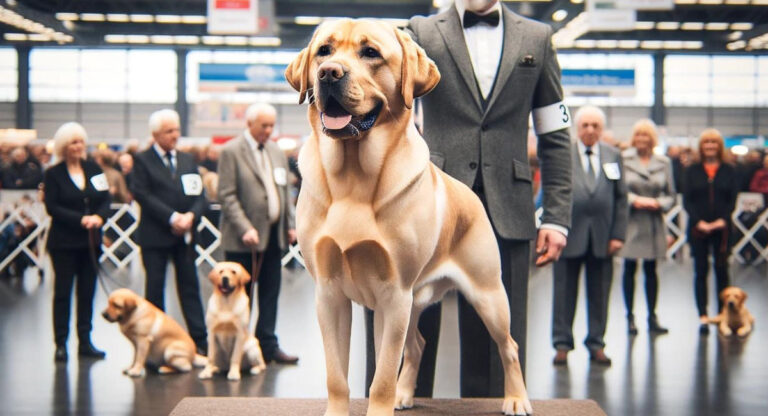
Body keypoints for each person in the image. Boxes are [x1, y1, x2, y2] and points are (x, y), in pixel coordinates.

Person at [369, 0, 573, 397]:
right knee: (399, 331)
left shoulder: (539, 38)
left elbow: (555, 134)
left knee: (498, 348)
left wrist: (556, 217)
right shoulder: (420, 31)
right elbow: (379, 81)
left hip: (510, 209)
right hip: (423, 204)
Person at [217, 103, 298, 364]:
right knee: (242, 298)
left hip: (273, 236)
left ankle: (267, 344)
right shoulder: (231, 151)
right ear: (249, 124)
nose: (269, 130)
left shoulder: (276, 151)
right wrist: (245, 228)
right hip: (244, 241)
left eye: (272, 125)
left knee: (270, 294)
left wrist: (290, 224)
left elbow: (284, 191)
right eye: (264, 125)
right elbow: (226, 195)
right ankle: (237, 348)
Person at [551, 106, 627, 367]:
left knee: (599, 294)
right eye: (585, 125)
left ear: (602, 129)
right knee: (563, 293)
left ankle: (596, 344)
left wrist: (618, 234)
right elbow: (554, 193)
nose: (590, 130)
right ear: (577, 127)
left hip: (603, 238)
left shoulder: (614, 155)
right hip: (568, 235)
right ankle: (561, 344)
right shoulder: (564, 155)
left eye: (596, 125)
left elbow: (621, 198)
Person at [130, 109, 208, 354]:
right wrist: (172, 217)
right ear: (155, 135)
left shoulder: (187, 160)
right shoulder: (142, 160)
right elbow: (142, 194)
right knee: (154, 289)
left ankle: (200, 340)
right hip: (155, 237)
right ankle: (154, 342)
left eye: (176, 130)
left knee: (190, 287)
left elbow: (200, 195)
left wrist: (191, 216)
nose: (176, 135)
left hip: (184, 237)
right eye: (169, 131)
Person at [43, 122, 110, 362]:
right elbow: (52, 206)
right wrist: (80, 219)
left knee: (87, 293)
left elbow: (105, 198)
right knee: (63, 293)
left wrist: (99, 217)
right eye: (73, 142)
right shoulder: (53, 174)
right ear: (63, 146)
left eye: (81, 141)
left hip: (90, 243)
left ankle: (85, 340)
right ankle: (61, 343)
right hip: (63, 243)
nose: (78, 146)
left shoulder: (94, 169)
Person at [619, 119, 675, 335]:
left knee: (652, 271)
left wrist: (657, 204)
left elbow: (671, 196)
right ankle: (630, 317)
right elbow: (620, 190)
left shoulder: (664, 163)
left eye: (646, 135)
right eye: (638, 135)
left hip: (653, 223)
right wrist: (635, 200)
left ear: (652, 139)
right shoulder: (624, 160)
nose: (642, 139)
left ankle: (652, 317)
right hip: (631, 222)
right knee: (629, 269)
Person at [683, 128, 738, 335]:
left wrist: (721, 221)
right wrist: (699, 222)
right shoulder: (692, 170)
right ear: (701, 146)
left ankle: (723, 314)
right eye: (706, 143)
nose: (710, 147)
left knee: (722, 271)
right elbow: (687, 200)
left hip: (722, 230)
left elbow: (732, 199)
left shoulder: (730, 170)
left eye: (714, 143)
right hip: (698, 230)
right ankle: (703, 315)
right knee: (700, 271)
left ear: (719, 146)